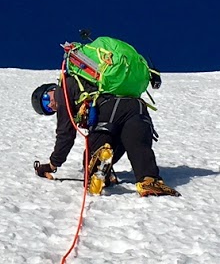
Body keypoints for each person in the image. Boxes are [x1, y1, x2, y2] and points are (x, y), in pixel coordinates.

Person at [30, 42, 179, 197]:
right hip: (137, 107)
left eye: (47, 99)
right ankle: (149, 180)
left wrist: (52, 165)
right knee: (137, 144)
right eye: (48, 109)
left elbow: (65, 134)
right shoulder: (91, 79)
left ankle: (96, 170)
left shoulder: (64, 88)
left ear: (51, 89)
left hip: (107, 110)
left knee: (92, 159)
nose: (52, 105)